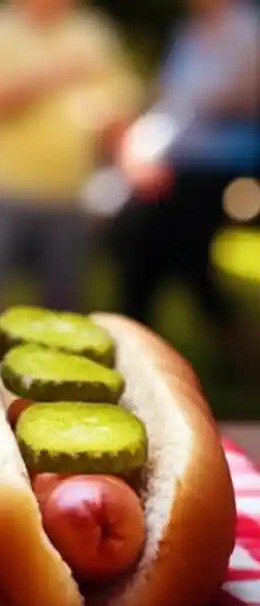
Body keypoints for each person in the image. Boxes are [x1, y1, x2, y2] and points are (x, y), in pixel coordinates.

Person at [0, 0, 138, 313]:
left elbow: (119, 104)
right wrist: (53, 75)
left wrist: (125, 158)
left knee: (64, 304)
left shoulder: (91, 32)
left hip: (69, 193)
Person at [114, 0, 258, 347]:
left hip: (215, 165)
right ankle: (135, 340)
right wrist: (140, 153)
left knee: (176, 255)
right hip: (173, 162)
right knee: (151, 254)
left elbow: (210, 101)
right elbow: (172, 100)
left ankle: (139, 341)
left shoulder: (247, 31)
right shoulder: (190, 31)